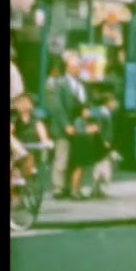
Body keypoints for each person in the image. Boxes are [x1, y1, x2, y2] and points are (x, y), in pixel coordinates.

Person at [49, 52, 87, 199]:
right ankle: (58, 188)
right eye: (75, 67)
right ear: (68, 68)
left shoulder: (81, 84)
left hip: (78, 127)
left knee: (75, 158)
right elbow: (58, 108)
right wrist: (66, 125)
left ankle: (72, 187)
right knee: (62, 157)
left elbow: (84, 103)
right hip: (63, 128)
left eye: (79, 66)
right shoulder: (60, 84)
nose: (78, 69)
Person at [90, 94, 119, 199]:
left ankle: (99, 189)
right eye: (114, 102)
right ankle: (96, 189)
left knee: (103, 166)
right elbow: (99, 129)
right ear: (107, 102)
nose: (116, 104)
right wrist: (104, 141)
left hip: (106, 143)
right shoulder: (102, 114)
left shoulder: (108, 113)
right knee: (100, 166)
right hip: (101, 144)